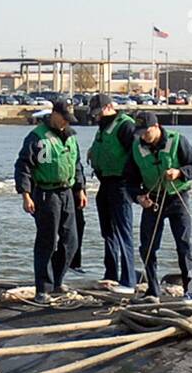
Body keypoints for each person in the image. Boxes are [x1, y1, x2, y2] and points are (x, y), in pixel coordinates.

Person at [14, 100, 87, 304]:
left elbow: (77, 163)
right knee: (47, 241)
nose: (65, 123)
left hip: (67, 193)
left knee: (71, 241)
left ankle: (57, 280)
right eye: (63, 118)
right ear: (54, 114)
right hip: (46, 194)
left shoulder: (71, 137)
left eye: (68, 120)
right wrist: (25, 194)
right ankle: (43, 288)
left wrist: (80, 189)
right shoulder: (36, 137)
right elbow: (23, 166)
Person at [132, 110, 192, 301]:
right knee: (147, 247)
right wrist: (138, 196)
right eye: (140, 133)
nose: (143, 136)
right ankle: (152, 290)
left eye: (146, 132)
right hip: (153, 201)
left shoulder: (177, 140)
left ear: (156, 127)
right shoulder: (136, 147)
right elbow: (129, 179)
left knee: (184, 244)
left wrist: (180, 172)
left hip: (177, 197)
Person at [86, 94, 141, 294]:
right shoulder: (103, 128)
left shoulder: (125, 126)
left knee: (123, 232)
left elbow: (136, 153)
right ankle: (111, 274)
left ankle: (129, 280)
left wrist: (132, 182)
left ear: (109, 107)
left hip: (121, 184)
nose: (96, 117)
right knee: (107, 232)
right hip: (105, 183)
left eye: (99, 112)